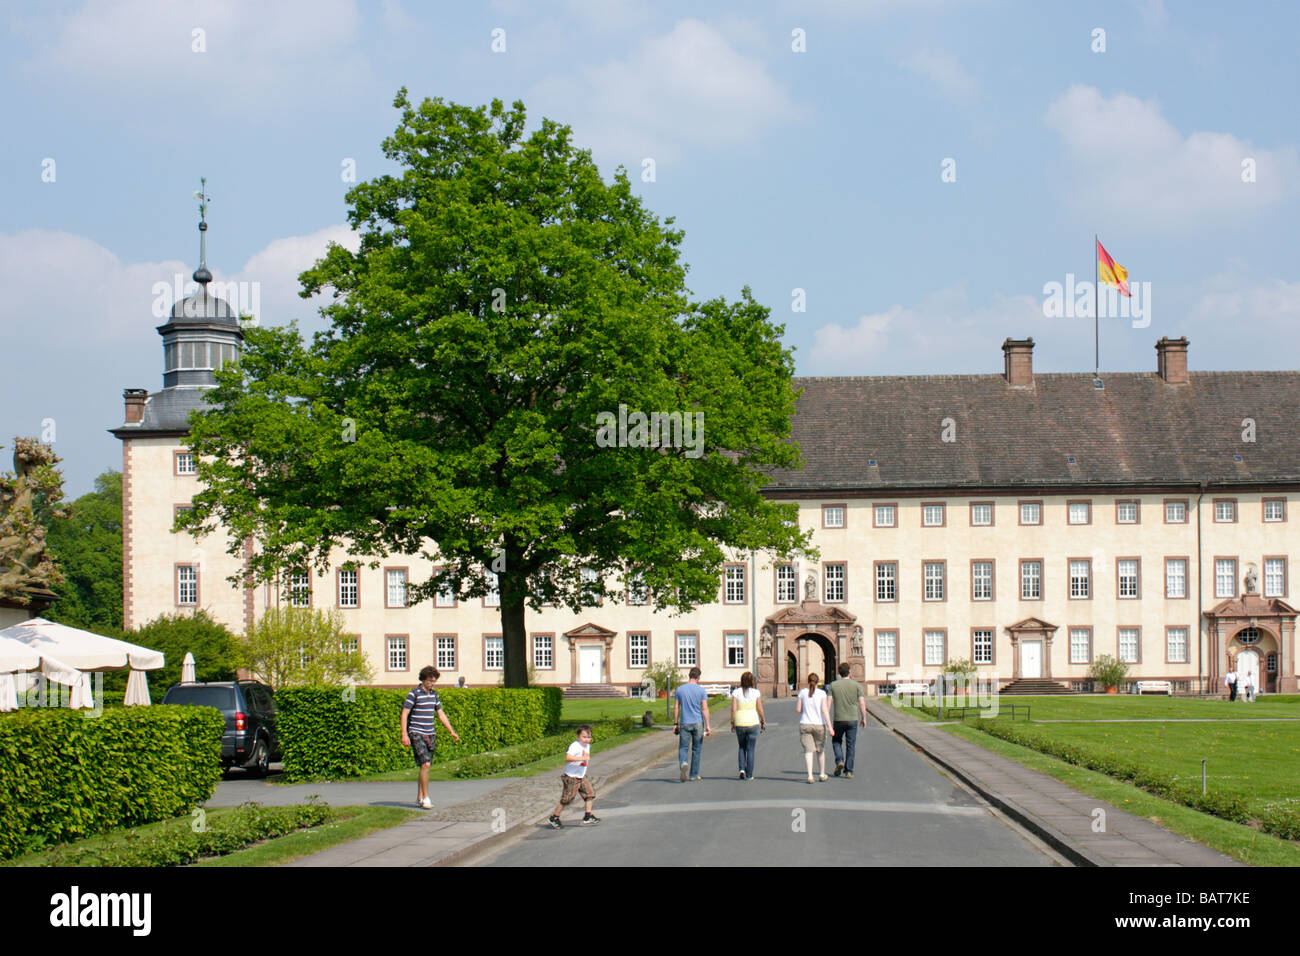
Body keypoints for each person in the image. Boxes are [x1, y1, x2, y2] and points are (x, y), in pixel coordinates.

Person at [400, 666, 461, 809]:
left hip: (430, 733)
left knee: (425, 766)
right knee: (425, 764)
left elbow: (441, 714)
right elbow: (404, 714)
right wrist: (404, 734)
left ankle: (419, 797)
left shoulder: (434, 695)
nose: (432, 684)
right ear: (423, 679)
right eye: (430, 681)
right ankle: (426, 798)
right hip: (416, 733)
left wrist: (451, 730)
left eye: (434, 681)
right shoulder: (413, 694)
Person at [548, 724, 599, 828]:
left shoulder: (587, 746)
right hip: (571, 777)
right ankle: (554, 817)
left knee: (590, 794)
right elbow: (568, 758)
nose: (586, 740)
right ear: (578, 737)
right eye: (584, 737)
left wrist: (584, 759)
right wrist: (581, 758)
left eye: (588, 737)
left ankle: (588, 816)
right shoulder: (575, 746)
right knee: (567, 799)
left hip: (580, 776)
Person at [826, 662, 867, 778]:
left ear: (839, 673)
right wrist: (864, 718)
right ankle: (849, 771)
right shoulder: (856, 685)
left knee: (836, 741)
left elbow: (828, 705)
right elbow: (862, 703)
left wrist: (827, 721)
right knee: (851, 745)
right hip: (852, 719)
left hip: (838, 719)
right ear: (849, 672)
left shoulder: (833, 685)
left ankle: (839, 760)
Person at [673, 666, 711, 781]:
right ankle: (694, 774)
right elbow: (704, 708)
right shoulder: (701, 690)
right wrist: (708, 725)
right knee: (696, 749)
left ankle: (683, 763)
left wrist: (675, 723)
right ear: (698, 677)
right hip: (698, 723)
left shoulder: (680, 689)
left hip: (685, 722)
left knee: (683, 747)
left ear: (689, 676)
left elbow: (676, 707)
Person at [796, 672, 833, 783]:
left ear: (808, 681)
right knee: (820, 750)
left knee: (808, 751)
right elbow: (825, 711)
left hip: (805, 724)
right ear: (818, 682)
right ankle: (822, 774)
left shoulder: (802, 692)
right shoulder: (822, 694)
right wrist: (830, 727)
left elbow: (798, 710)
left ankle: (810, 776)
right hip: (819, 725)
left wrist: (805, 709)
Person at [730, 671, 765, 780]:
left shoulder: (736, 693)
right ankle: (749, 774)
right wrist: (763, 719)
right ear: (752, 681)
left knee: (741, 746)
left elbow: (734, 709)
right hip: (753, 722)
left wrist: (732, 722)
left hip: (740, 722)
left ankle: (741, 769)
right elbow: (759, 708)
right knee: (750, 749)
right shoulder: (756, 693)